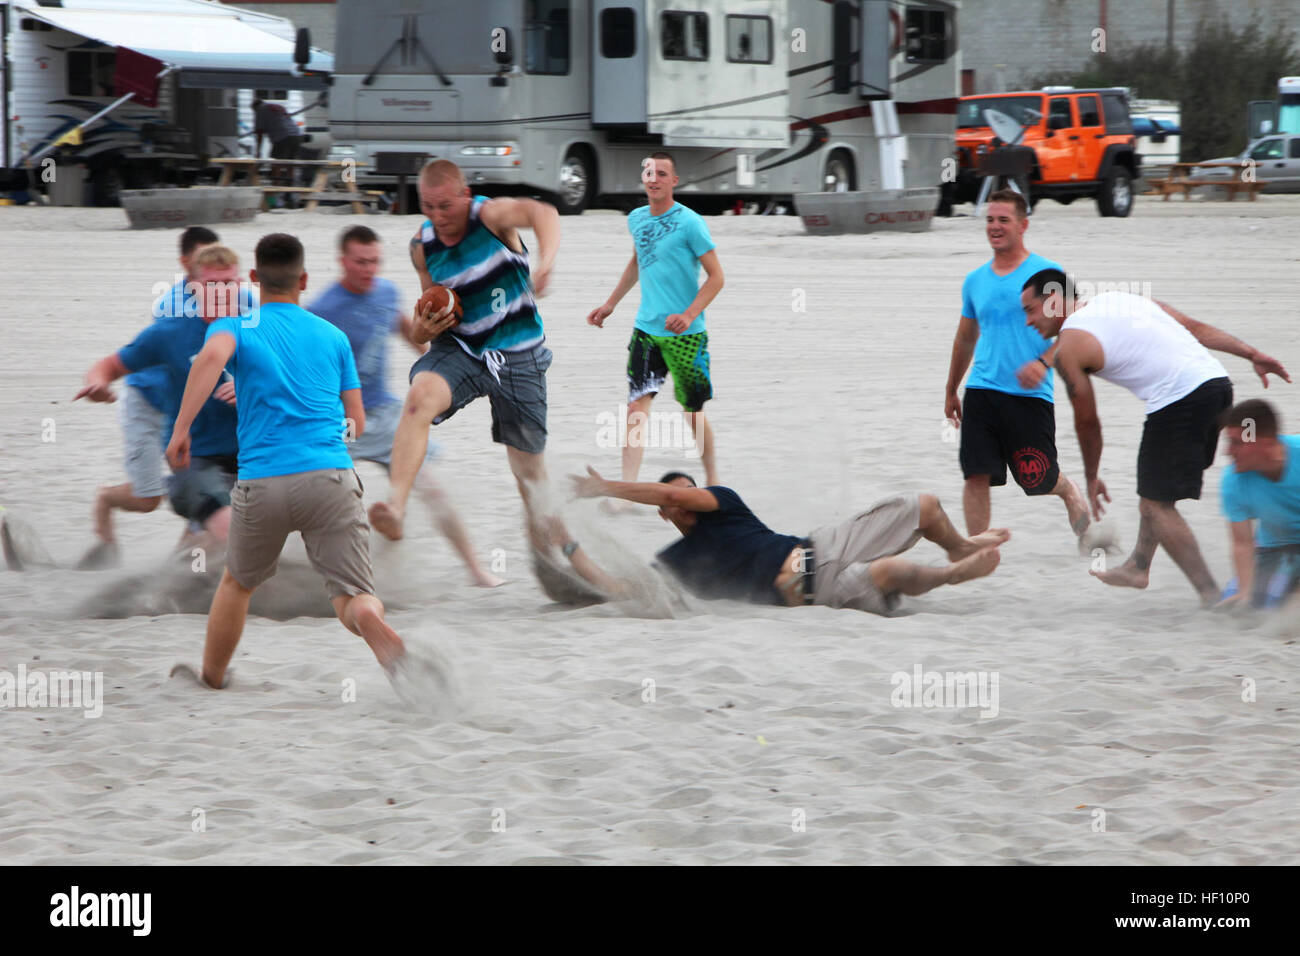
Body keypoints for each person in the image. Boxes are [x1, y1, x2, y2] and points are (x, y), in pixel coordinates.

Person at [166, 233, 408, 691]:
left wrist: (182, 430)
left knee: (237, 584)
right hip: (329, 476)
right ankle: (371, 623)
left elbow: (211, 360)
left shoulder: (235, 327)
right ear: (304, 279)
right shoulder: (333, 337)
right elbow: (355, 419)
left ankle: (213, 676)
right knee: (353, 597)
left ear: (254, 278)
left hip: (263, 482)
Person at [1021, 267, 1291, 603]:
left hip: (1179, 400)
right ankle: (1138, 566)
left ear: (1054, 301)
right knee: (1156, 495)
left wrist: (1091, 477)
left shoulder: (1068, 348)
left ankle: (1210, 595)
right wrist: (1251, 353)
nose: (1029, 322)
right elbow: (1193, 328)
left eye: (1030, 310)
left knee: (1155, 504)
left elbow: (1087, 422)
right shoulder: (1122, 300)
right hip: (1218, 387)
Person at [367, 159, 563, 550]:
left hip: (517, 352)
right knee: (419, 399)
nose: (437, 216)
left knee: (528, 471)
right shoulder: (422, 246)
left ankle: (549, 546)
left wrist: (545, 264)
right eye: (428, 206)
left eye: (445, 205)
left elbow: (544, 211)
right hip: (462, 348)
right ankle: (395, 507)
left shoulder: (491, 216)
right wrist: (423, 328)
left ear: (465, 195)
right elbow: (426, 315)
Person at [308, 225, 503, 587]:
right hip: (336, 423)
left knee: (433, 489)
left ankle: (476, 570)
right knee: (320, 502)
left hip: (383, 415)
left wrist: (435, 360)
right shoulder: (322, 310)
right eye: (360, 262)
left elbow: (401, 326)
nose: (369, 268)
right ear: (343, 261)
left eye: (374, 261)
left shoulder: (385, 291)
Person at [564, 468, 1007, 613]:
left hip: (820, 545)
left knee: (923, 505)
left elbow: (671, 493)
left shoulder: (723, 502)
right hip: (809, 587)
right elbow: (618, 587)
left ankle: (959, 547)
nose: (686, 500)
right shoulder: (679, 561)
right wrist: (566, 545)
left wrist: (606, 488)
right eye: (677, 499)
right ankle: (952, 575)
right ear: (664, 514)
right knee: (891, 572)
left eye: (689, 492)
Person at [944, 189, 1091, 543]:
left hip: (1029, 395)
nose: (995, 226)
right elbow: (966, 337)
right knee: (976, 473)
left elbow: (1078, 324)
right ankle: (979, 552)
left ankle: (1068, 490)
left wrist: (1044, 362)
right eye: (990, 220)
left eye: (1003, 220)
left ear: (1023, 225)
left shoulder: (1046, 273)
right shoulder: (975, 280)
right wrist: (951, 389)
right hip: (981, 389)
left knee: (1037, 479)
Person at [75, 245, 245, 550]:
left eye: (228, 284)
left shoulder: (263, 328)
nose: (222, 293)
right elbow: (109, 366)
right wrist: (96, 385)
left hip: (251, 459)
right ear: (193, 288)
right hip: (196, 459)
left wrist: (253, 388)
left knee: (202, 549)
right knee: (229, 532)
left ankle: (161, 585)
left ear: (241, 284)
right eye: (212, 285)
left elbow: (305, 383)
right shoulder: (171, 333)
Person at [587, 151, 725, 487]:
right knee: (636, 409)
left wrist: (689, 313)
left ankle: (712, 478)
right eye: (649, 172)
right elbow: (638, 262)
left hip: (687, 334)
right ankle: (630, 488)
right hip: (647, 330)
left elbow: (716, 277)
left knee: (692, 413)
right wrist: (610, 304)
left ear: (674, 181)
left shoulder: (691, 223)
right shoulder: (636, 219)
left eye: (662, 173)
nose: (654, 178)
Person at [1218, 399, 1300, 609]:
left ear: (1264, 443)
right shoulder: (1233, 480)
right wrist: (1245, 592)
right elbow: (1242, 544)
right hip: (1272, 548)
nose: (1228, 451)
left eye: (1237, 443)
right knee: (1241, 606)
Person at [252, 97, 304, 202]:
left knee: (276, 166)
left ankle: (274, 197)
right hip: (296, 135)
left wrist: (258, 152)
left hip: (282, 137)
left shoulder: (260, 110)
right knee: (290, 165)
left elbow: (259, 133)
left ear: (255, 107)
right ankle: (289, 194)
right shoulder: (278, 106)